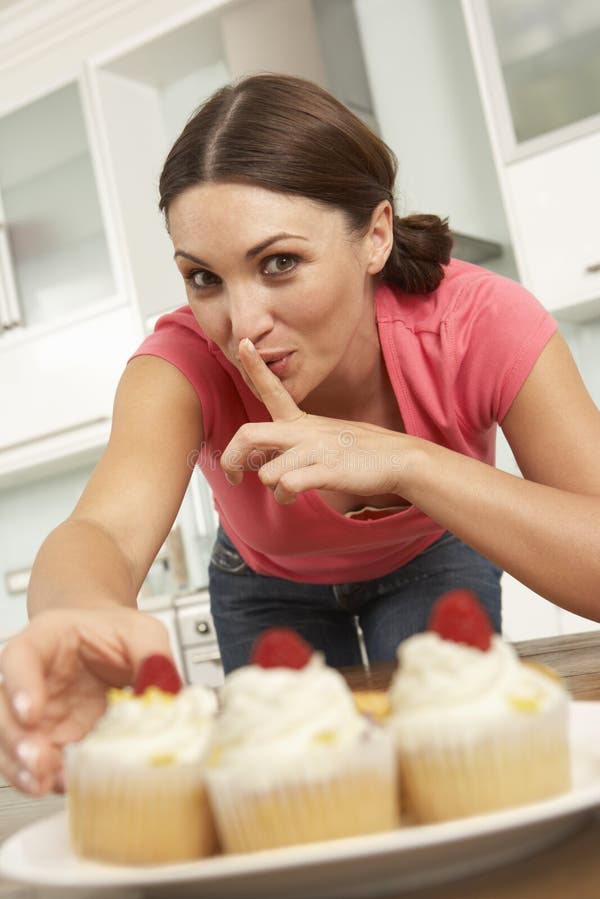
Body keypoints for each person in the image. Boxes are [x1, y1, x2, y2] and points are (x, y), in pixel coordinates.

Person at [1, 72, 600, 797]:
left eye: (278, 263)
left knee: (447, 777)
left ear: (375, 236)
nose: (240, 322)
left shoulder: (480, 322)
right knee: (295, 794)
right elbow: (101, 529)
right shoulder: (181, 363)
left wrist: (409, 462)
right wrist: (82, 615)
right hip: (264, 588)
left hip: (433, 559)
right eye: (204, 277)